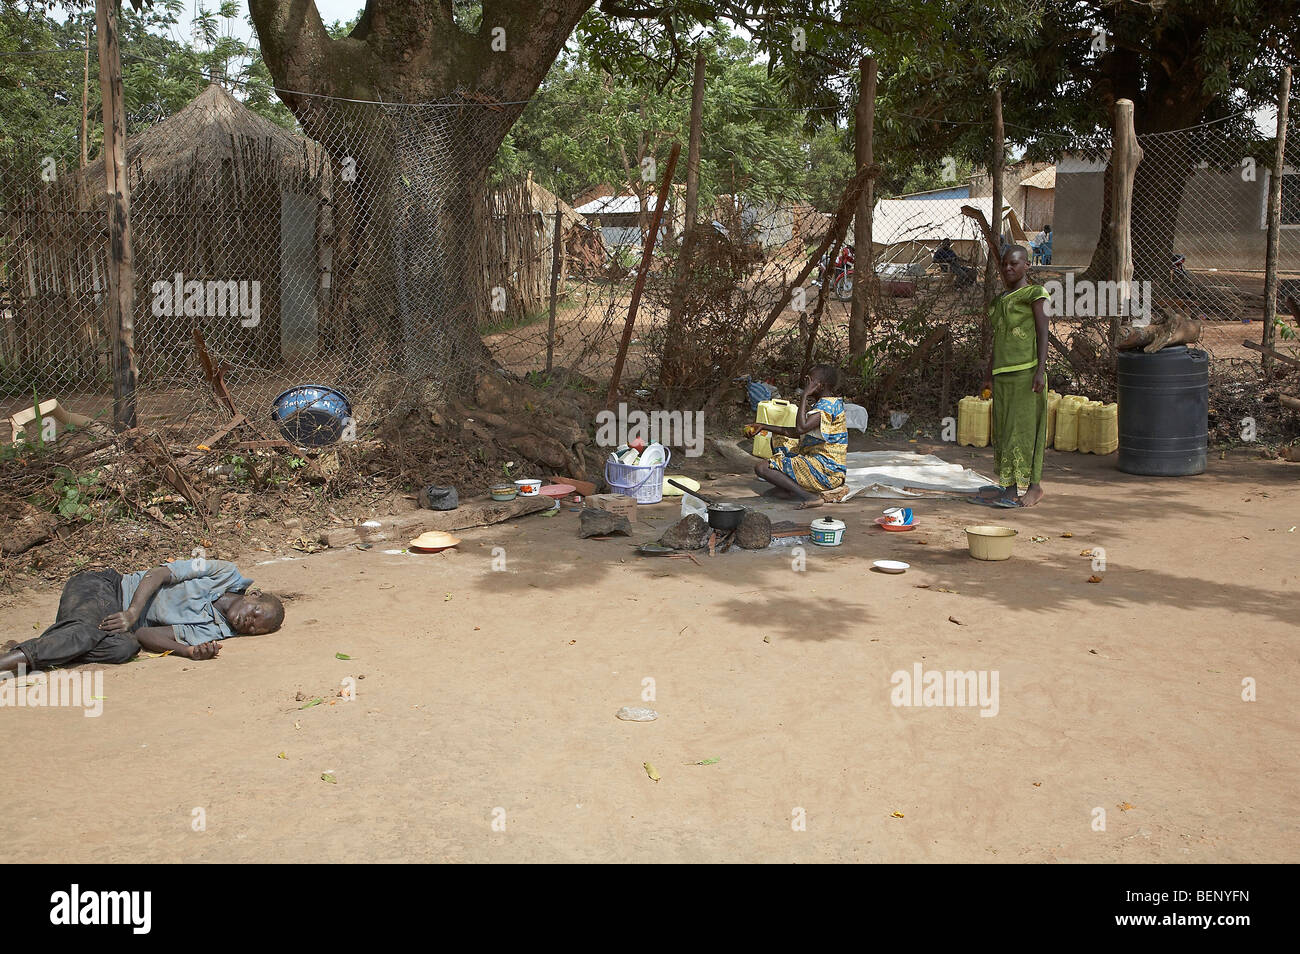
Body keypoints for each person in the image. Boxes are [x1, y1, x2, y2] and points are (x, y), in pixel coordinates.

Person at [0, 557, 284, 674]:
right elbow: (161, 572)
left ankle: (32, 649)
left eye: (257, 629)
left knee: (126, 647)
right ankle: (18, 657)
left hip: (116, 624)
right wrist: (132, 611)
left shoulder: (215, 632)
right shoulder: (224, 570)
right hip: (105, 587)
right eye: (256, 612)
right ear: (254, 595)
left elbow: (144, 635)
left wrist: (188, 651)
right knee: (84, 633)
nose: (250, 622)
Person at [961, 205, 1050, 508]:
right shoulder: (1000, 301)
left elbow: (1043, 332)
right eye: (1004, 265)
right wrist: (988, 373)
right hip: (1002, 375)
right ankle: (1009, 487)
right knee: (1004, 432)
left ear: (1026, 266)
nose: (1008, 269)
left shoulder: (1035, 294)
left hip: (1027, 374)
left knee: (1025, 430)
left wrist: (1040, 370)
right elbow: (998, 341)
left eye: (1014, 264)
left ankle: (1034, 486)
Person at [747, 364, 848, 509]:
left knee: (762, 468)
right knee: (779, 439)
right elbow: (793, 432)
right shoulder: (826, 403)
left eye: (809, 381)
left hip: (827, 471)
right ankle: (792, 488)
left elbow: (801, 428)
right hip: (817, 461)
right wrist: (763, 426)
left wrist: (804, 396)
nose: (806, 383)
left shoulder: (826, 407)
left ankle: (809, 496)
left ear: (820, 386)